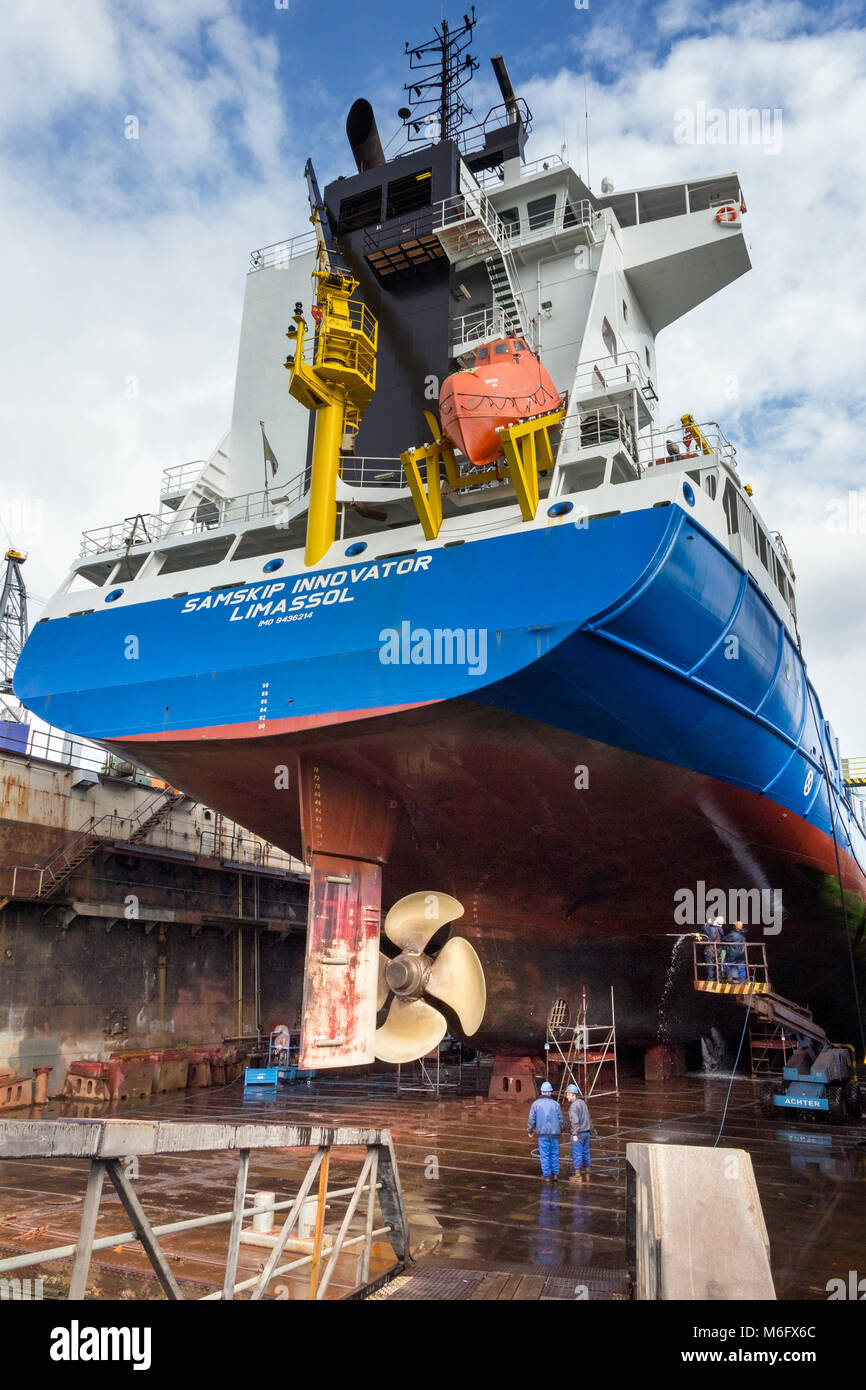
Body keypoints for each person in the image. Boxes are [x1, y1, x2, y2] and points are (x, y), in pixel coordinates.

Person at [528, 1080, 563, 1184]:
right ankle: (556, 1174)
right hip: (555, 1134)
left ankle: (547, 1176)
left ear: (541, 1092)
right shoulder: (556, 1104)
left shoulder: (536, 1104)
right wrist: (561, 1130)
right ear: (550, 1092)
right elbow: (561, 1119)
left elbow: (531, 1119)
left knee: (545, 1155)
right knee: (554, 1154)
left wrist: (530, 1130)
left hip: (542, 1134)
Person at [566, 1083, 592, 1184]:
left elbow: (575, 1121)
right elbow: (588, 1117)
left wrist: (575, 1134)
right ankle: (588, 1173)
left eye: (568, 1094)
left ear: (574, 1095)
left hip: (579, 1134)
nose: (567, 1096)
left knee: (577, 1154)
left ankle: (578, 1176)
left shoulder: (574, 1106)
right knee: (586, 1153)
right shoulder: (582, 1103)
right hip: (586, 1132)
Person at [701, 913, 724, 982]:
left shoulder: (711, 929)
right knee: (719, 964)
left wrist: (707, 922)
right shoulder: (721, 930)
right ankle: (719, 978)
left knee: (710, 965)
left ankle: (711, 979)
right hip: (719, 948)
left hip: (711, 949)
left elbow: (704, 927)